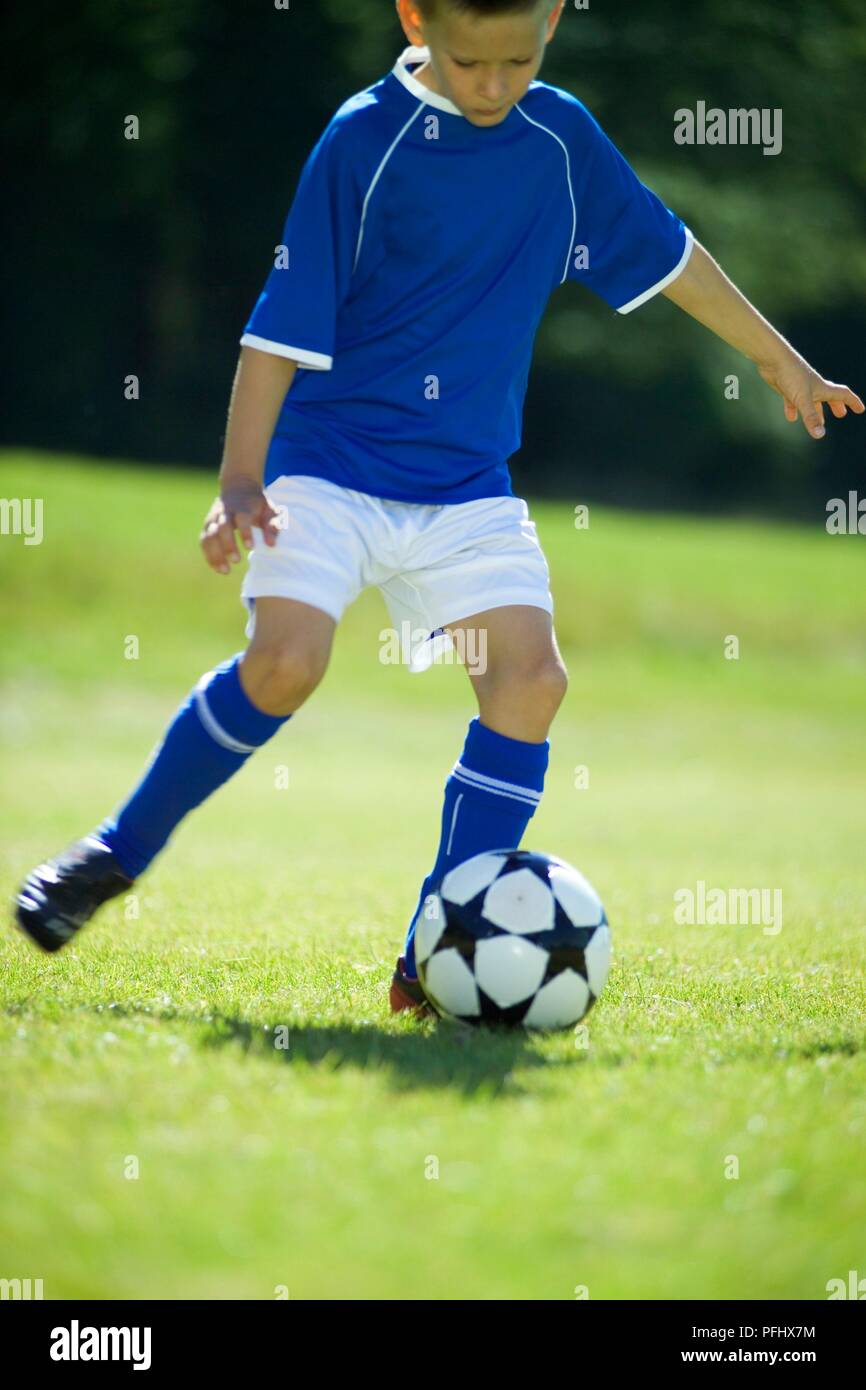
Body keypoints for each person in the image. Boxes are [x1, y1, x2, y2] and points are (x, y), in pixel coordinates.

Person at [13, 0, 862, 1019]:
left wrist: (778, 358)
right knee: (285, 664)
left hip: (465, 484)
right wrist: (241, 479)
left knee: (530, 680)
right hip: (327, 461)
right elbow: (280, 323)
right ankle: (114, 853)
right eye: (468, 61)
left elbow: (667, 252)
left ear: (552, 19)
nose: (494, 85)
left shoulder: (559, 138)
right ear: (414, 19)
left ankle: (434, 946)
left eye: (518, 58)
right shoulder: (360, 139)